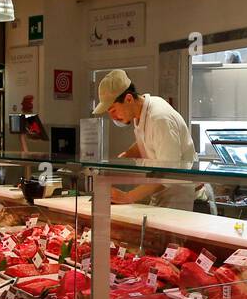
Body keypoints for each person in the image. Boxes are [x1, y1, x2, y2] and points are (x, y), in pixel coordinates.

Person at [91, 69, 216, 213]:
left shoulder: (159, 118)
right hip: (168, 198)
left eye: (113, 110)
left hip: (192, 202)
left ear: (129, 99)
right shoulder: (142, 112)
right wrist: (126, 156)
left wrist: (127, 197)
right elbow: (148, 140)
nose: (113, 117)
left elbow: (169, 173)